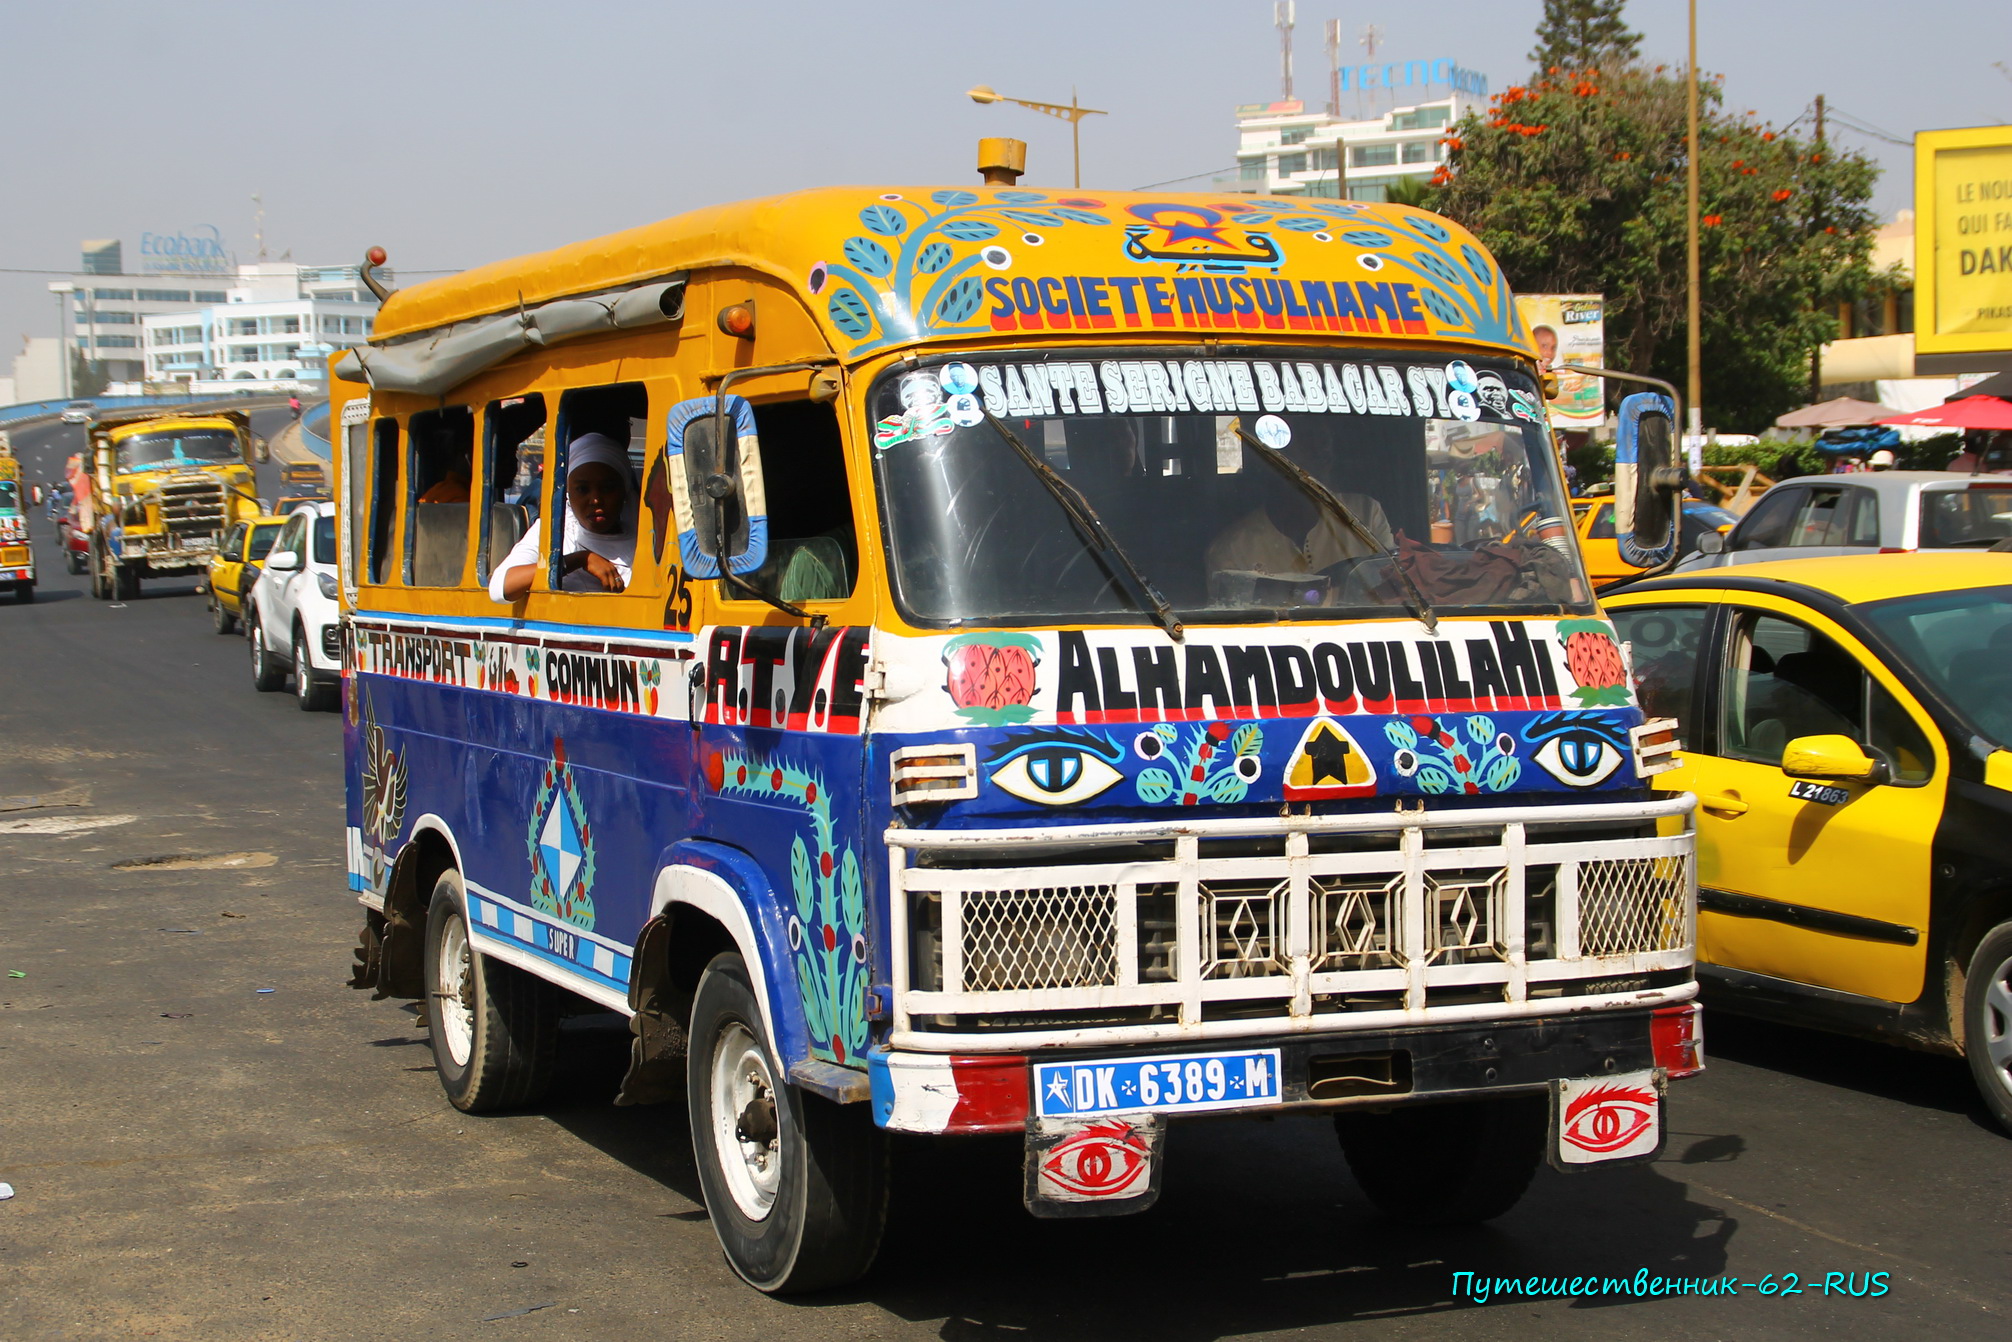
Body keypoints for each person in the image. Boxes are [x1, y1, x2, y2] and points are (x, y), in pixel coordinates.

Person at [488, 434, 635, 601]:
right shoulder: (555, 532)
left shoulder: (647, 539)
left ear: (624, 491)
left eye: (608, 488)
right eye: (582, 489)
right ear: (568, 493)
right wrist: (579, 560)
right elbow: (501, 589)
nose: (595, 500)